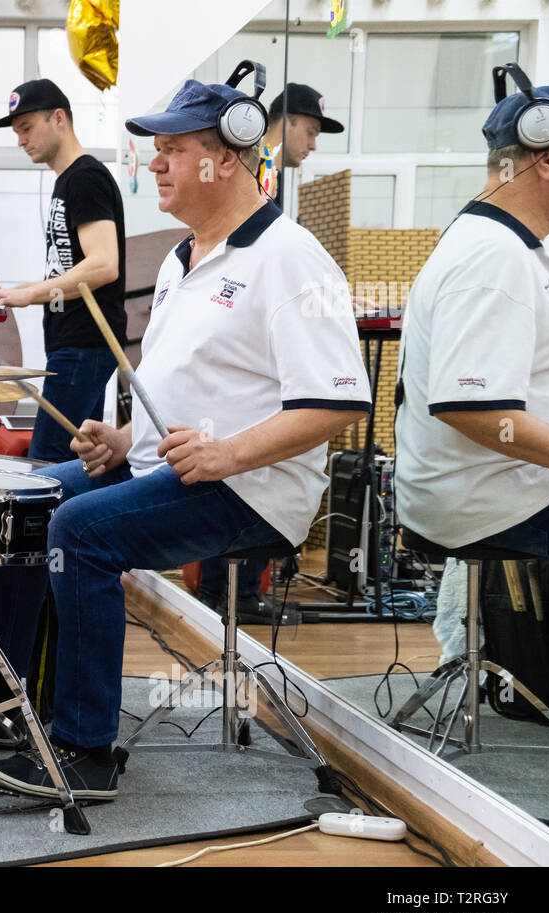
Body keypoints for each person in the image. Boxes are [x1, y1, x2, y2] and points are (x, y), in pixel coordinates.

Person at [0, 77, 370, 800]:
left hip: (249, 486)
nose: (155, 164)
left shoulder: (291, 256)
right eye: (156, 151)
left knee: (80, 529)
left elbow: (338, 403)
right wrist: (125, 438)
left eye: (173, 150)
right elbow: (182, 388)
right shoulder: (180, 260)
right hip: (172, 469)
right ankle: (0, 710)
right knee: (20, 499)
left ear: (225, 159)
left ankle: (85, 750)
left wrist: (226, 453)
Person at [394, 67, 549, 561]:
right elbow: (472, 407)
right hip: (494, 505)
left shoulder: (506, 246)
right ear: (547, 159)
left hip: (494, 490)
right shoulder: (495, 255)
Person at [197, 81, 346, 620]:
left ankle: (227, 589)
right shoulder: (263, 173)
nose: (314, 143)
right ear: (277, 123)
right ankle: (231, 591)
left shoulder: (273, 178)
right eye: (310, 128)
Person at [0, 78, 127, 463]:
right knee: (81, 459)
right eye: (17, 132)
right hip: (76, 345)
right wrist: (9, 292)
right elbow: (69, 269)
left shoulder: (85, 178)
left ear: (59, 118)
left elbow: (104, 265)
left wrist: (28, 295)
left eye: (26, 128)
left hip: (84, 343)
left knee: (47, 461)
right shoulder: (68, 181)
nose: (20, 140)